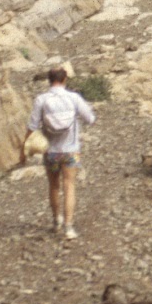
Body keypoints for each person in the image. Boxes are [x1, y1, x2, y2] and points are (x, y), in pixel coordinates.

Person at [28, 67, 96, 240]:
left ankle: (56, 221)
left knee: (54, 186)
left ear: (49, 80)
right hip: (71, 150)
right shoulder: (74, 98)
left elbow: (32, 127)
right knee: (69, 186)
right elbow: (90, 119)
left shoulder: (41, 100)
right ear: (65, 79)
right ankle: (69, 227)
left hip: (50, 152)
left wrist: (25, 149)